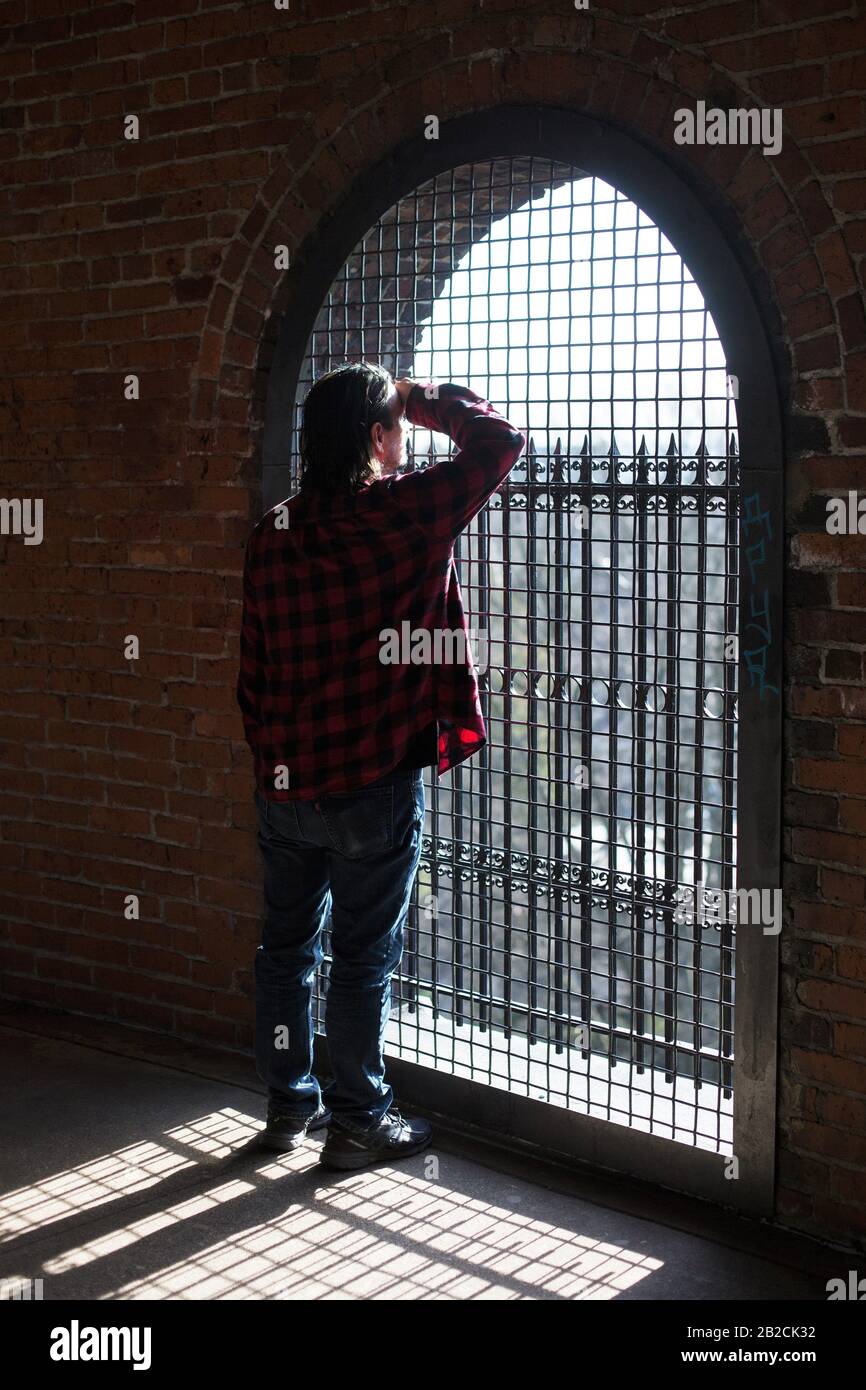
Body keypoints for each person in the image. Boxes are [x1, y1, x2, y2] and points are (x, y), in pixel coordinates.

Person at [236, 363, 526, 1170]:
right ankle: (360, 1118)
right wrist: (425, 397)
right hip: (371, 782)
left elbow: (252, 670)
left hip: (285, 785)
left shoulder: (272, 535)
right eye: (393, 423)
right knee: (363, 956)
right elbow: (501, 442)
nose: (403, 436)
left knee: (285, 949)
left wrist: (271, 757)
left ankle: (287, 1103)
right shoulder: (403, 514)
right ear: (374, 435)